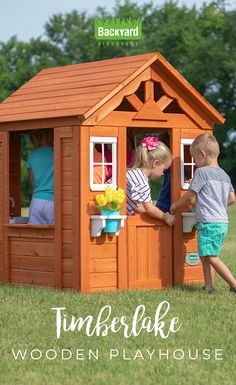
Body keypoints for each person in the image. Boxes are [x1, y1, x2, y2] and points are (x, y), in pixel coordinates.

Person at [170, 134, 236, 294]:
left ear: (202, 154)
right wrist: (218, 205)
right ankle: (208, 287)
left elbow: (189, 197)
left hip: (209, 222)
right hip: (221, 223)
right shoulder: (224, 175)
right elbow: (232, 198)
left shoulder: (201, 173)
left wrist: (175, 205)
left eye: (194, 159)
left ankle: (234, 284)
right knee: (206, 254)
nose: (194, 163)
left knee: (211, 256)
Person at [126, 136, 175, 226]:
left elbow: (138, 207)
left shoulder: (134, 173)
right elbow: (150, 209)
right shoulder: (141, 181)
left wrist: (156, 211)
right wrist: (166, 217)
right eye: (163, 170)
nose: (162, 174)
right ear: (155, 163)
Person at [27, 129, 54, 224]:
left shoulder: (32, 156)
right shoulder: (57, 153)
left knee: (34, 236)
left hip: (36, 201)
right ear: (51, 136)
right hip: (53, 201)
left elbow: (32, 184)